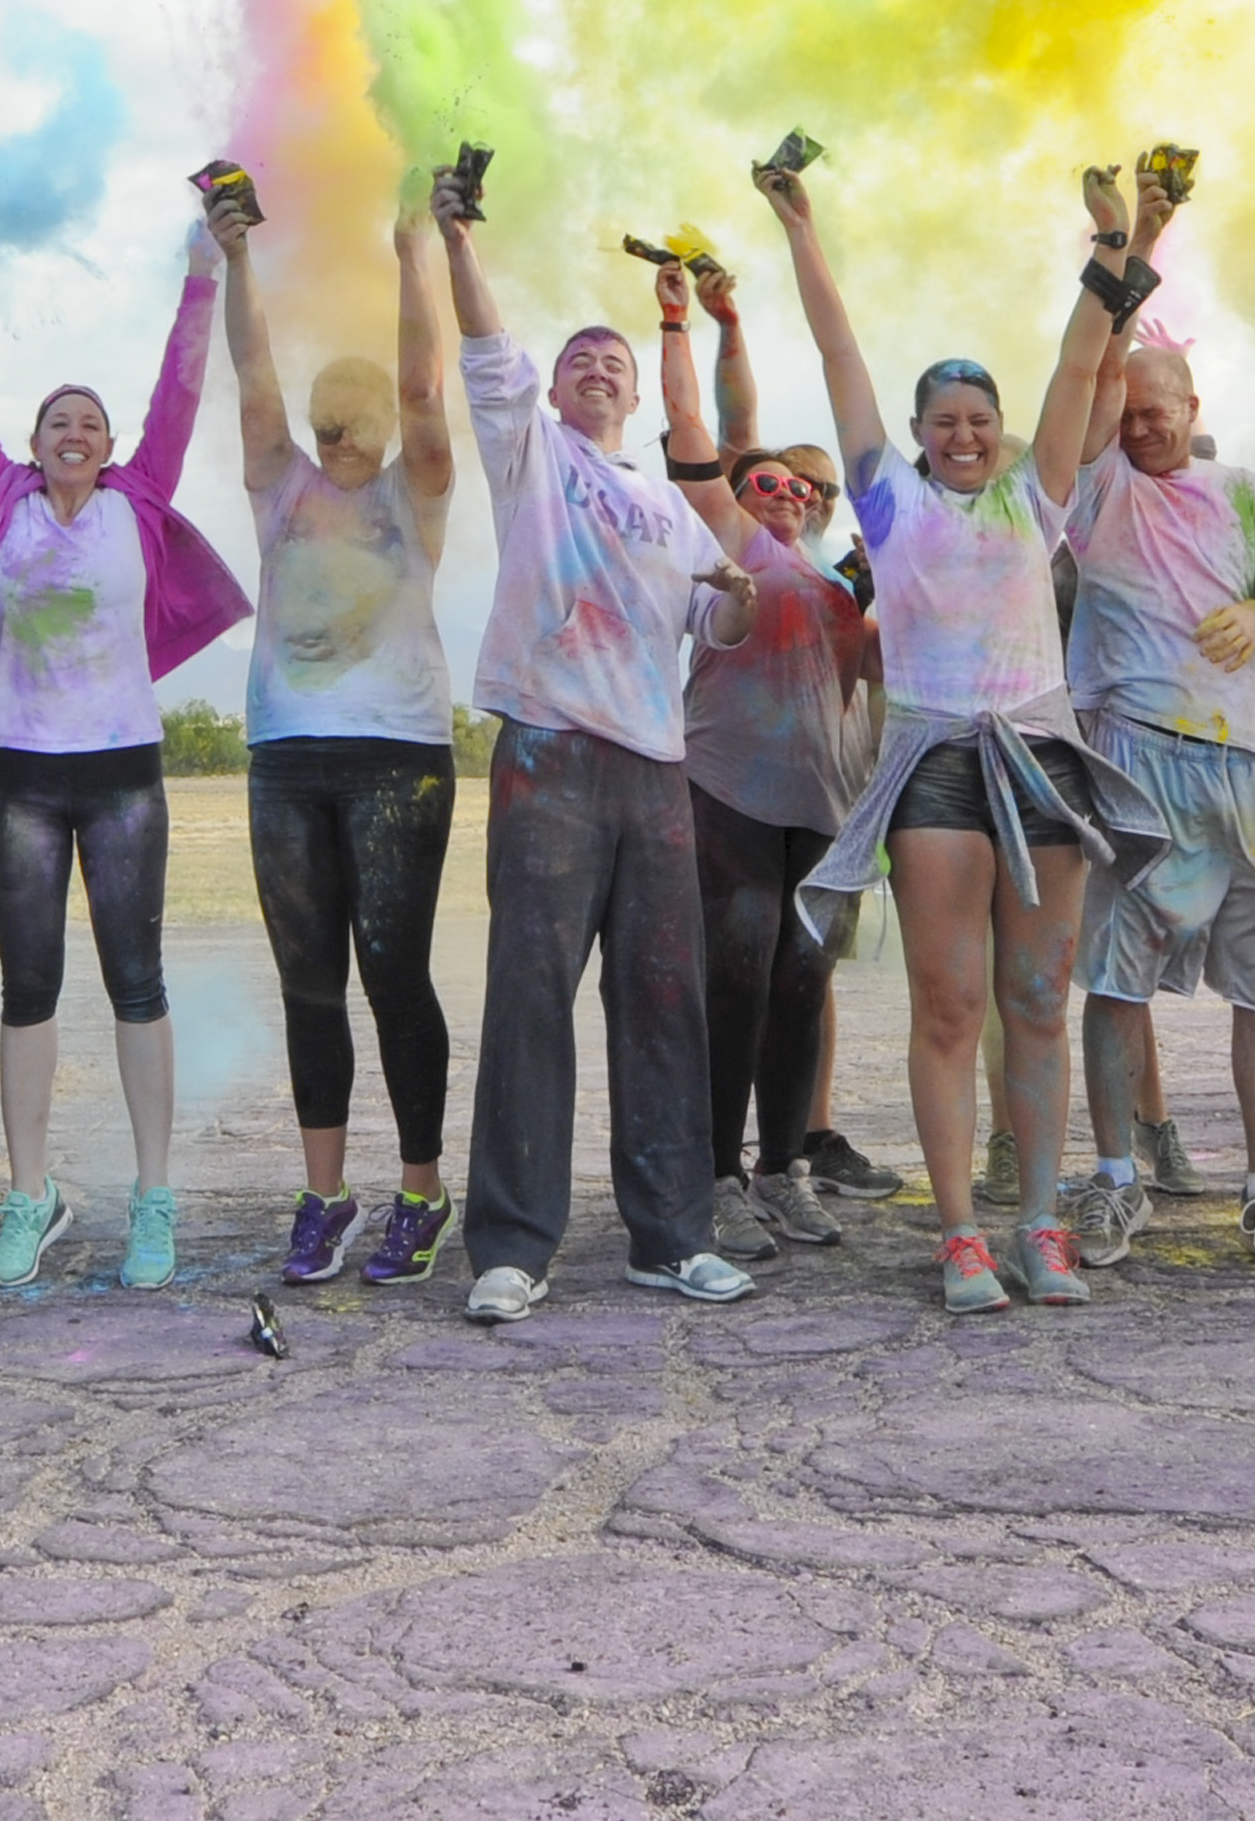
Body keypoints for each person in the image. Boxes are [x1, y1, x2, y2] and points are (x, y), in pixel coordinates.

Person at [767, 146, 1163, 1315]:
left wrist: (1113, 241)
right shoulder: (887, 504)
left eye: (979, 418)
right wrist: (800, 229)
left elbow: (1080, 359)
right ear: (916, 431)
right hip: (935, 767)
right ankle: (958, 1236)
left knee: (1037, 1004)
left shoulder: (1035, 498)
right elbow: (839, 354)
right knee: (948, 1008)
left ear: (1001, 429)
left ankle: (1039, 1224)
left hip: (1040, 767)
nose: (964, 434)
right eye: (943, 420)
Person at [0, 215, 249, 1293]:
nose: (76, 431)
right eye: (59, 419)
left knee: (137, 983)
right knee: (28, 989)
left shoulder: (135, 502)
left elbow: (178, 393)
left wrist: (201, 272)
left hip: (121, 779)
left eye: (91, 422)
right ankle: (30, 1197)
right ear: (32, 440)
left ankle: (154, 1197)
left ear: (109, 447)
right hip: (20, 777)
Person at [442, 189, 762, 1321]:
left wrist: (736, 596)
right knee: (529, 996)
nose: (593, 369)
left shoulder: (671, 509)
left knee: (663, 1000)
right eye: (578, 358)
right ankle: (512, 1247)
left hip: (653, 769)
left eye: (611, 364)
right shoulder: (531, 456)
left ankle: (670, 1238)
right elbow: (488, 348)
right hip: (548, 751)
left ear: (633, 396)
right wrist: (458, 239)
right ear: (555, 389)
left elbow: (716, 627)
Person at [213, 194, 465, 1294]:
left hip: (397, 756)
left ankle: (422, 1191)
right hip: (286, 757)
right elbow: (252, 376)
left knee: (393, 974)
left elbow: (425, 389)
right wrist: (237, 258)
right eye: (324, 424)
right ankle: (324, 1197)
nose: (335, 438)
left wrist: (412, 255)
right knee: (308, 983)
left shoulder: (416, 492)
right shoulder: (281, 487)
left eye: (353, 421)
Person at [1063, 273, 1255, 1284]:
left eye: (1157, 412)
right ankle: (1114, 1176)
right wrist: (1126, 262)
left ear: (1192, 408)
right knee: (1114, 974)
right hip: (1136, 758)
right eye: (1127, 413)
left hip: (1253, 764)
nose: (1139, 428)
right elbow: (1095, 386)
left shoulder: (1242, 492)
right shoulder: (1098, 486)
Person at [658, 257, 878, 1255]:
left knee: (800, 985)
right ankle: (712, 1175)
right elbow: (713, 426)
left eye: (798, 487)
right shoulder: (733, 546)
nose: (782, 493)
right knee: (738, 978)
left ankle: (784, 1169)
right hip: (732, 794)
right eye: (762, 484)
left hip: (822, 806)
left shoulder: (836, 579)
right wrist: (711, 324)